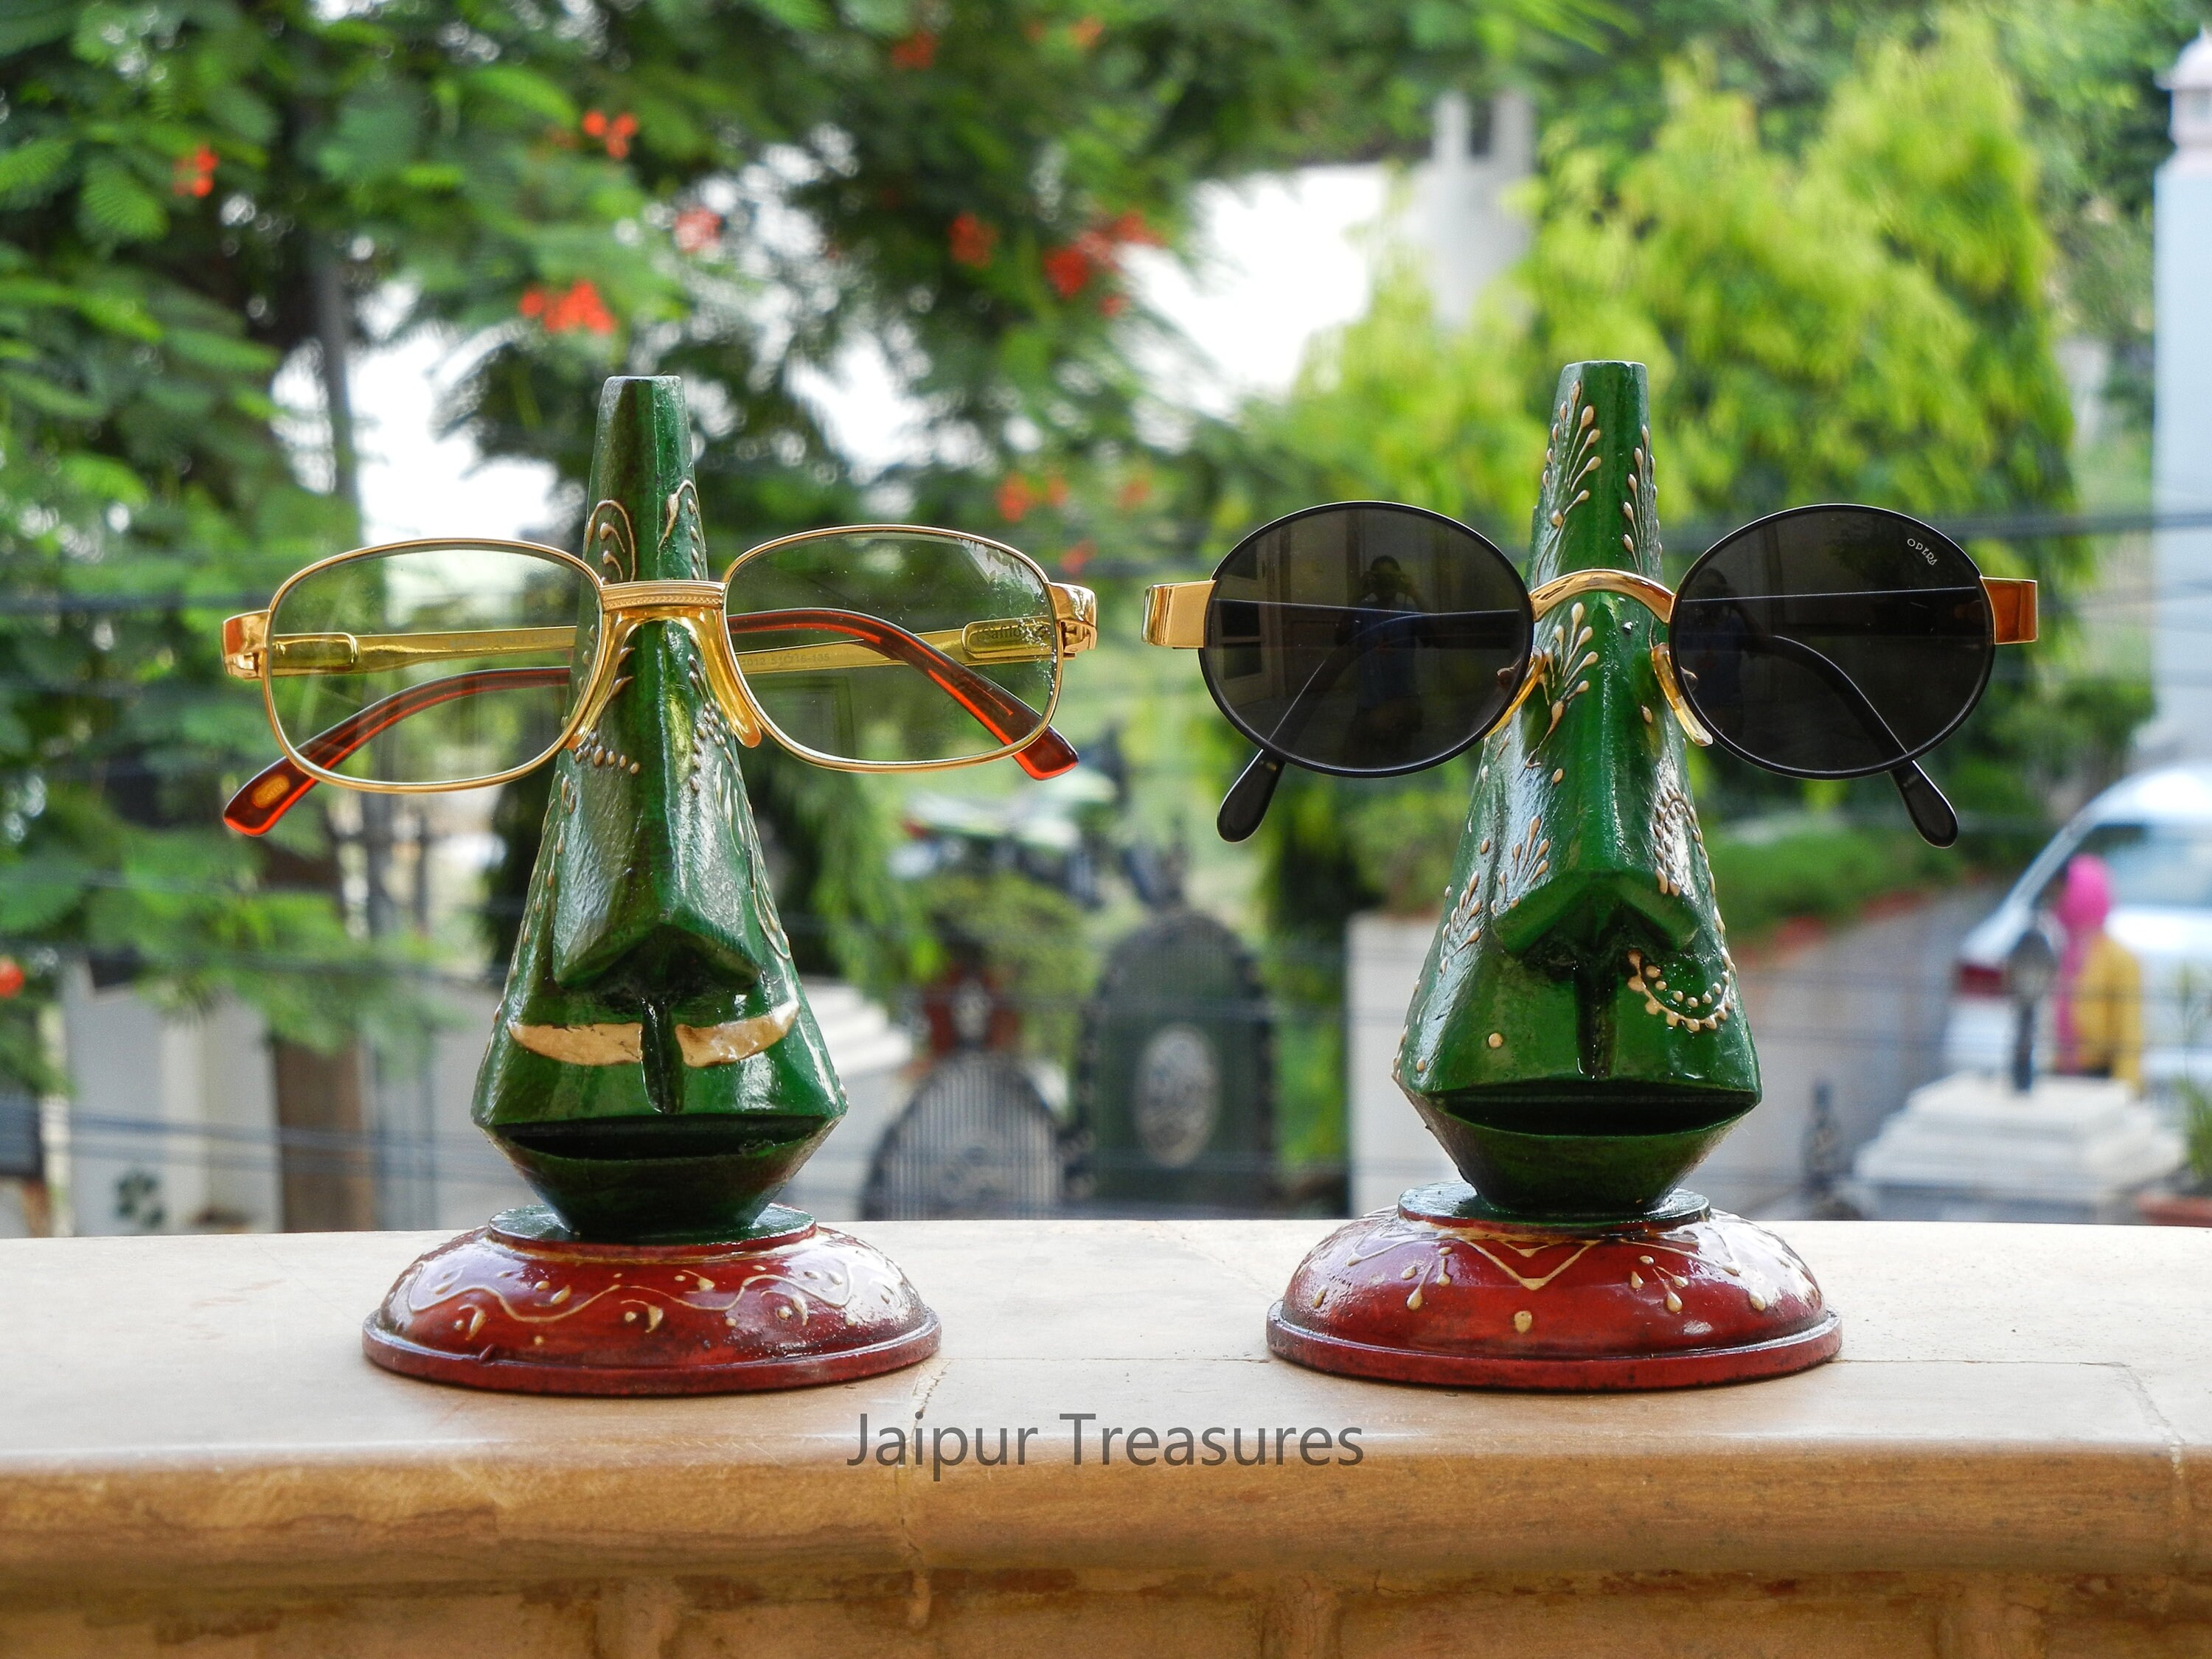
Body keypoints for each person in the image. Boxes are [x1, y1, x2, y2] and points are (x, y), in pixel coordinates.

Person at [2052, 853, 2142, 1088]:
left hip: (2100, 1078)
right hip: (2060, 1077)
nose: (2058, 898)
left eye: (2065, 890)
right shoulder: (2064, 953)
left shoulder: (2118, 959)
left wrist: (2125, 1091)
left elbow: (2129, 1033)